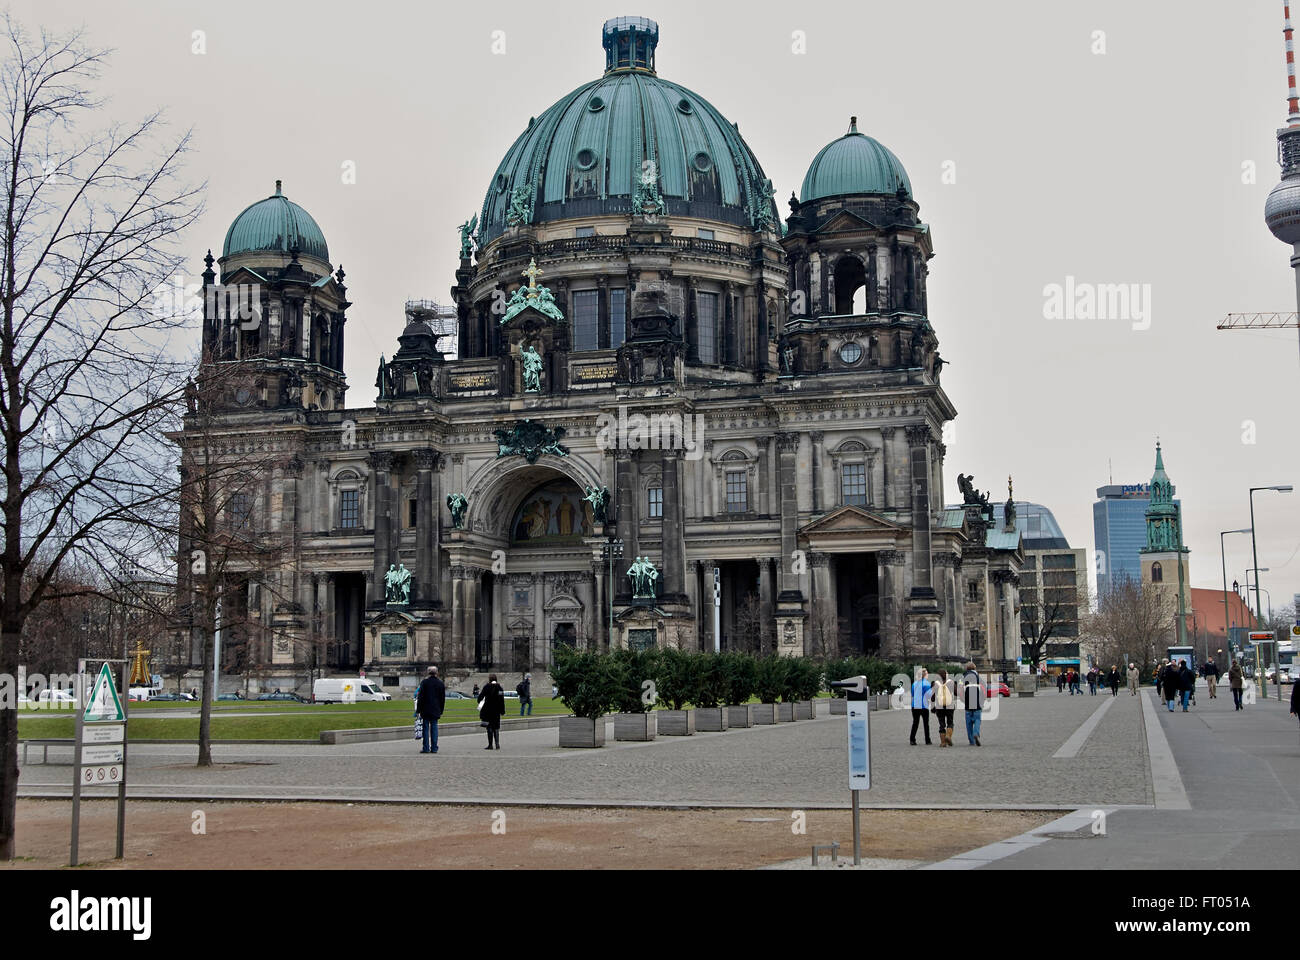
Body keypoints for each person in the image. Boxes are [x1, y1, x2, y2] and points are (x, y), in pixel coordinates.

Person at [415, 666, 446, 754]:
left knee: (425, 728)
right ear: (436, 673)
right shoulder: (440, 683)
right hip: (436, 709)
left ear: (428, 673)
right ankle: (434, 747)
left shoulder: (424, 682)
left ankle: (426, 747)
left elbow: (420, 697)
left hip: (425, 709)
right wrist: (441, 710)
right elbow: (442, 699)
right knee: (434, 728)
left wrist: (418, 709)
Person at [479, 673, 506, 750]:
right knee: (496, 727)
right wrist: (502, 710)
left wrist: (480, 703)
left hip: (487, 710)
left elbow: (480, 697)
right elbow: (502, 700)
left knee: (489, 727)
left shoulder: (486, 687)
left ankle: (490, 744)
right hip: (496, 710)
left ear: (489, 679)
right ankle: (497, 744)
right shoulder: (500, 688)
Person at [961, 661, 984, 746]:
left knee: (969, 723)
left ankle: (971, 741)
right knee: (977, 719)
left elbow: (960, 689)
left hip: (967, 702)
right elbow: (982, 690)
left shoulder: (963, 676)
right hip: (977, 702)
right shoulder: (978, 677)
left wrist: (963, 699)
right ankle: (976, 733)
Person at [909, 669, 932, 745]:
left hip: (915, 705)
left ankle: (912, 739)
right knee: (926, 724)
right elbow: (929, 695)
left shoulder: (914, 683)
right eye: (927, 673)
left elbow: (912, 694)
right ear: (924, 675)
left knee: (915, 723)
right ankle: (927, 740)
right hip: (923, 706)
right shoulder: (927, 684)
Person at [933, 669, 956, 747]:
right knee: (950, 722)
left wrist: (933, 706)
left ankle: (943, 742)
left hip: (939, 707)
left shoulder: (935, 683)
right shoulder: (951, 682)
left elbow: (932, 697)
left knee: (941, 724)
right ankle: (948, 736)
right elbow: (956, 693)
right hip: (950, 706)